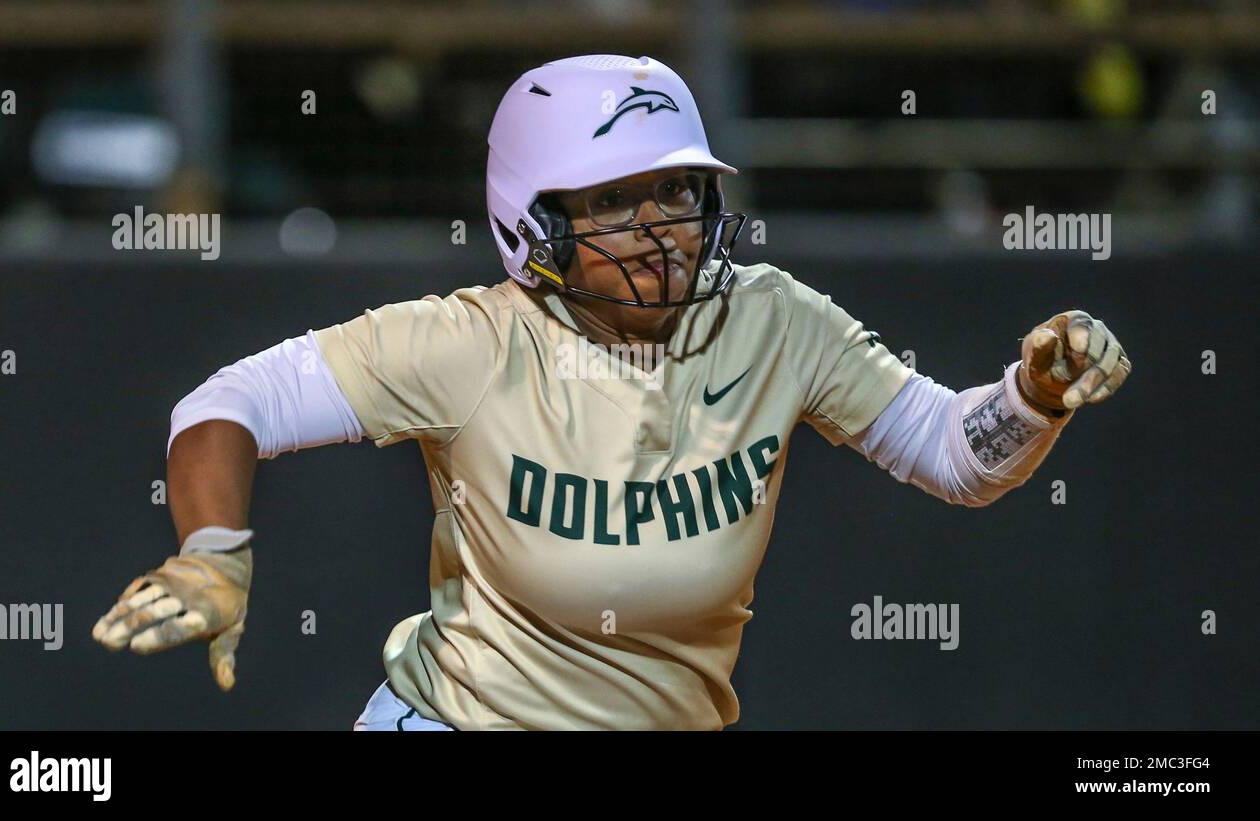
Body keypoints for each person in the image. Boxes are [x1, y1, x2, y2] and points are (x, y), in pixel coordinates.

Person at [91, 54, 1131, 731]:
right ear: (528, 224)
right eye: (613, 200)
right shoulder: (471, 343)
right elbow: (227, 403)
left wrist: (1031, 392)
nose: (659, 227)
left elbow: (953, 454)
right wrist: (213, 553)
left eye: (675, 190)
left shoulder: (769, 318)